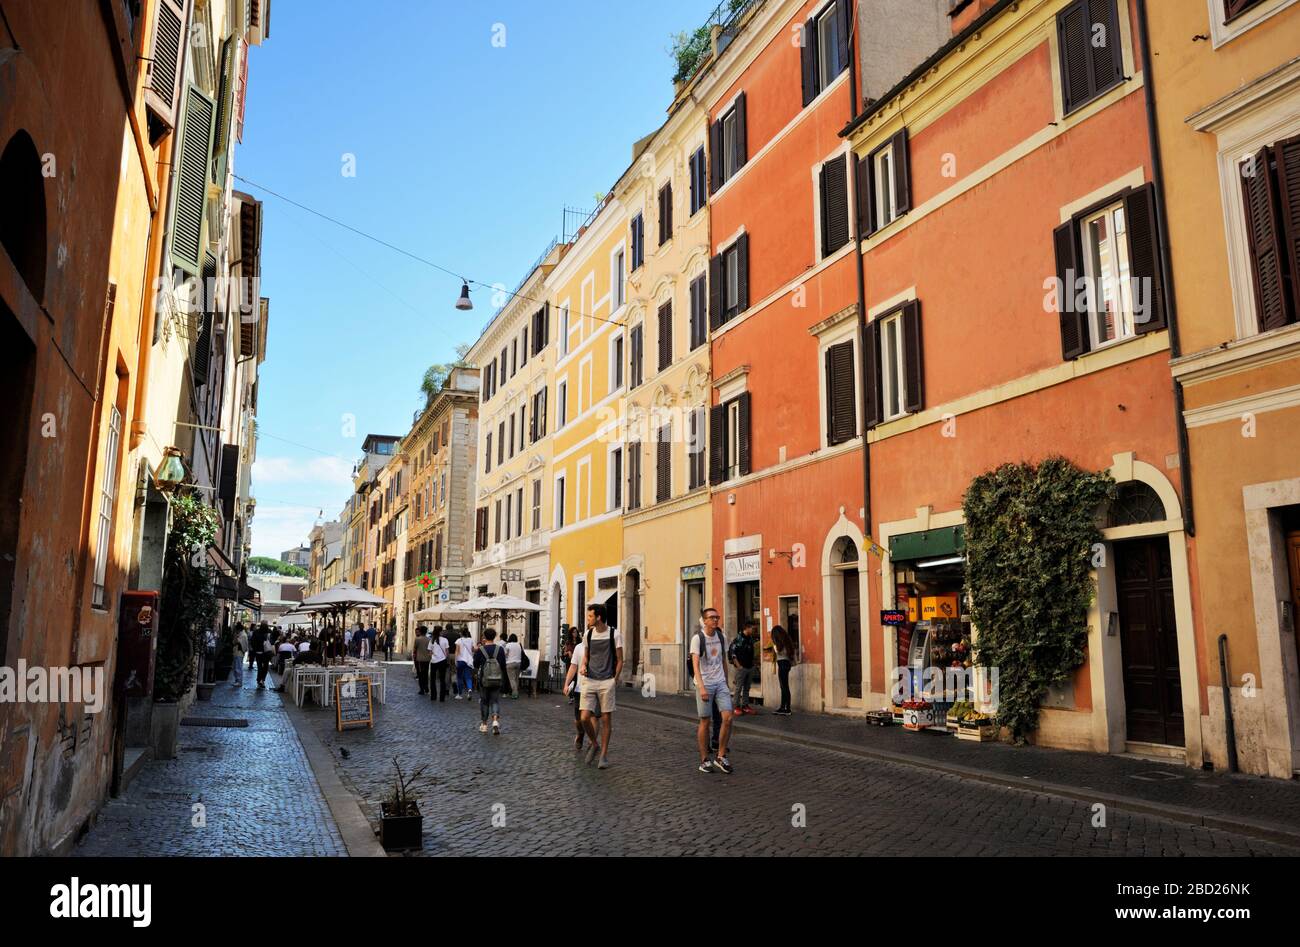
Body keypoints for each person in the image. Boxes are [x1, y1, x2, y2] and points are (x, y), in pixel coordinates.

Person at [578, 603, 622, 770]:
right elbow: (586, 656)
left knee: (606, 719)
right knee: (584, 717)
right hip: (590, 679)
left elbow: (620, 659)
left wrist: (614, 679)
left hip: (606, 681)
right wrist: (583, 665)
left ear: (598, 617)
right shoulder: (588, 634)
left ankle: (603, 755)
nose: (588, 619)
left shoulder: (614, 634)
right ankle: (595, 744)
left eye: (590, 616)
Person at [692, 608, 734, 774]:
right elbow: (695, 664)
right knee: (705, 721)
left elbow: (723, 659)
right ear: (705, 620)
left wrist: (725, 680)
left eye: (717, 617)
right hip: (705, 684)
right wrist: (701, 686)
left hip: (720, 682)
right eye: (712, 617)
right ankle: (704, 760)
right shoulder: (698, 638)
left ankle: (721, 755)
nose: (716, 620)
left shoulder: (721, 637)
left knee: (728, 718)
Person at [562, 632, 600, 749]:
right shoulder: (579, 648)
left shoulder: (599, 648)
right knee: (578, 720)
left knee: (594, 716)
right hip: (580, 687)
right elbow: (573, 666)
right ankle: (580, 732)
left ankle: (592, 741)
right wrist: (566, 684)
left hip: (595, 687)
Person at [473, 629, 509, 735]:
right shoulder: (500, 649)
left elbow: (475, 664)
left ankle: (484, 724)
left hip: (484, 679)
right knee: (495, 700)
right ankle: (495, 721)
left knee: (484, 701)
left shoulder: (481, 650)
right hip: (497, 679)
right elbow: (503, 665)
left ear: (484, 637)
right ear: (495, 636)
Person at [729, 620, 760, 715]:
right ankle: (736, 706)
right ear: (746, 628)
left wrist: (754, 664)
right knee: (738, 688)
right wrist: (739, 666)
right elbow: (733, 654)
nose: (754, 629)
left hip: (750, 667)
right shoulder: (738, 639)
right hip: (742, 668)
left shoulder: (750, 638)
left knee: (747, 688)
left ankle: (745, 706)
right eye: (752, 628)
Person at [770, 624, 795, 715]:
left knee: (784, 686)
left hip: (783, 664)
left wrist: (774, 646)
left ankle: (786, 708)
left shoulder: (779, 644)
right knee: (784, 686)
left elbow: (779, 652)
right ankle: (783, 707)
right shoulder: (786, 641)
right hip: (786, 664)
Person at [428, 626, 451, 702]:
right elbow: (447, 652)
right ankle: (442, 697)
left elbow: (430, 652)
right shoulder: (445, 640)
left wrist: (434, 656)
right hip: (442, 661)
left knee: (432, 679)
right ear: (441, 632)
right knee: (442, 679)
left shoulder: (432, 640)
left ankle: (433, 696)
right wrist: (447, 660)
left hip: (434, 661)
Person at [250, 622, 274, 689]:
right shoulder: (269, 632)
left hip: (258, 652)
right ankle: (262, 680)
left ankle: (259, 680)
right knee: (265, 667)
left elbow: (252, 641)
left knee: (259, 667)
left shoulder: (256, 632)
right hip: (266, 653)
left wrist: (255, 649)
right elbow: (272, 641)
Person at [453, 630, 475, 699]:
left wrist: (455, 660)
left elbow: (457, 651)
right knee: (468, 677)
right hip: (468, 661)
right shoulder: (471, 640)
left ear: (461, 634)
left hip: (460, 660)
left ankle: (459, 694)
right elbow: (473, 649)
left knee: (459, 677)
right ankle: (469, 689)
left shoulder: (459, 640)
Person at [412, 627, 432, 695]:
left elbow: (415, 649)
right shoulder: (429, 639)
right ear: (426, 632)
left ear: (420, 631)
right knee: (425, 673)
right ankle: (426, 687)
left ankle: (422, 689)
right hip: (427, 659)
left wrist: (414, 656)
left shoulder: (417, 639)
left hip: (420, 659)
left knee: (420, 674)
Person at [504, 633, 523, 699]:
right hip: (518, 663)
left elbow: (505, 654)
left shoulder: (508, 645)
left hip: (510, 663)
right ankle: (515, 692)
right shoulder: (518, 645)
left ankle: (515, 693)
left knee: (511, 679)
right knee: (516, 679)